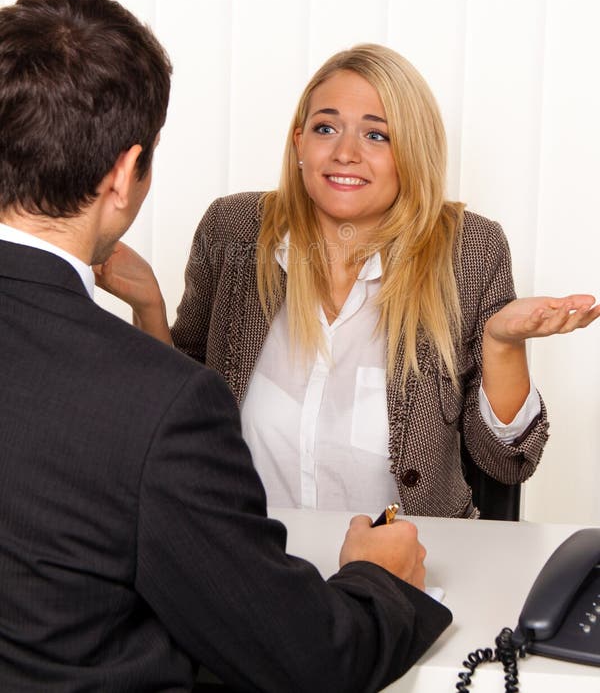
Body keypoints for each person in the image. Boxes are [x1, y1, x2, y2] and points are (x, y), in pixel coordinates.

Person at [0, 0, 452, 693]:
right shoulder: (163, 403)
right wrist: (377, 579)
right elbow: (308, 658)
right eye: (326, 127)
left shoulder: (467, 254)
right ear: (124, 174)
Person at [96, 45, 600, 518]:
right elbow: (180, 412)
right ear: (299, 142)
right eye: (325, 129)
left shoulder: (469, 251)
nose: (345, 153)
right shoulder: (234, 229)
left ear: (413, 153)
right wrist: (150, 310)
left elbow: (507, 462)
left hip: (406, 570)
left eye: (376, 135)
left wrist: (501, 344)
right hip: (250, 558)